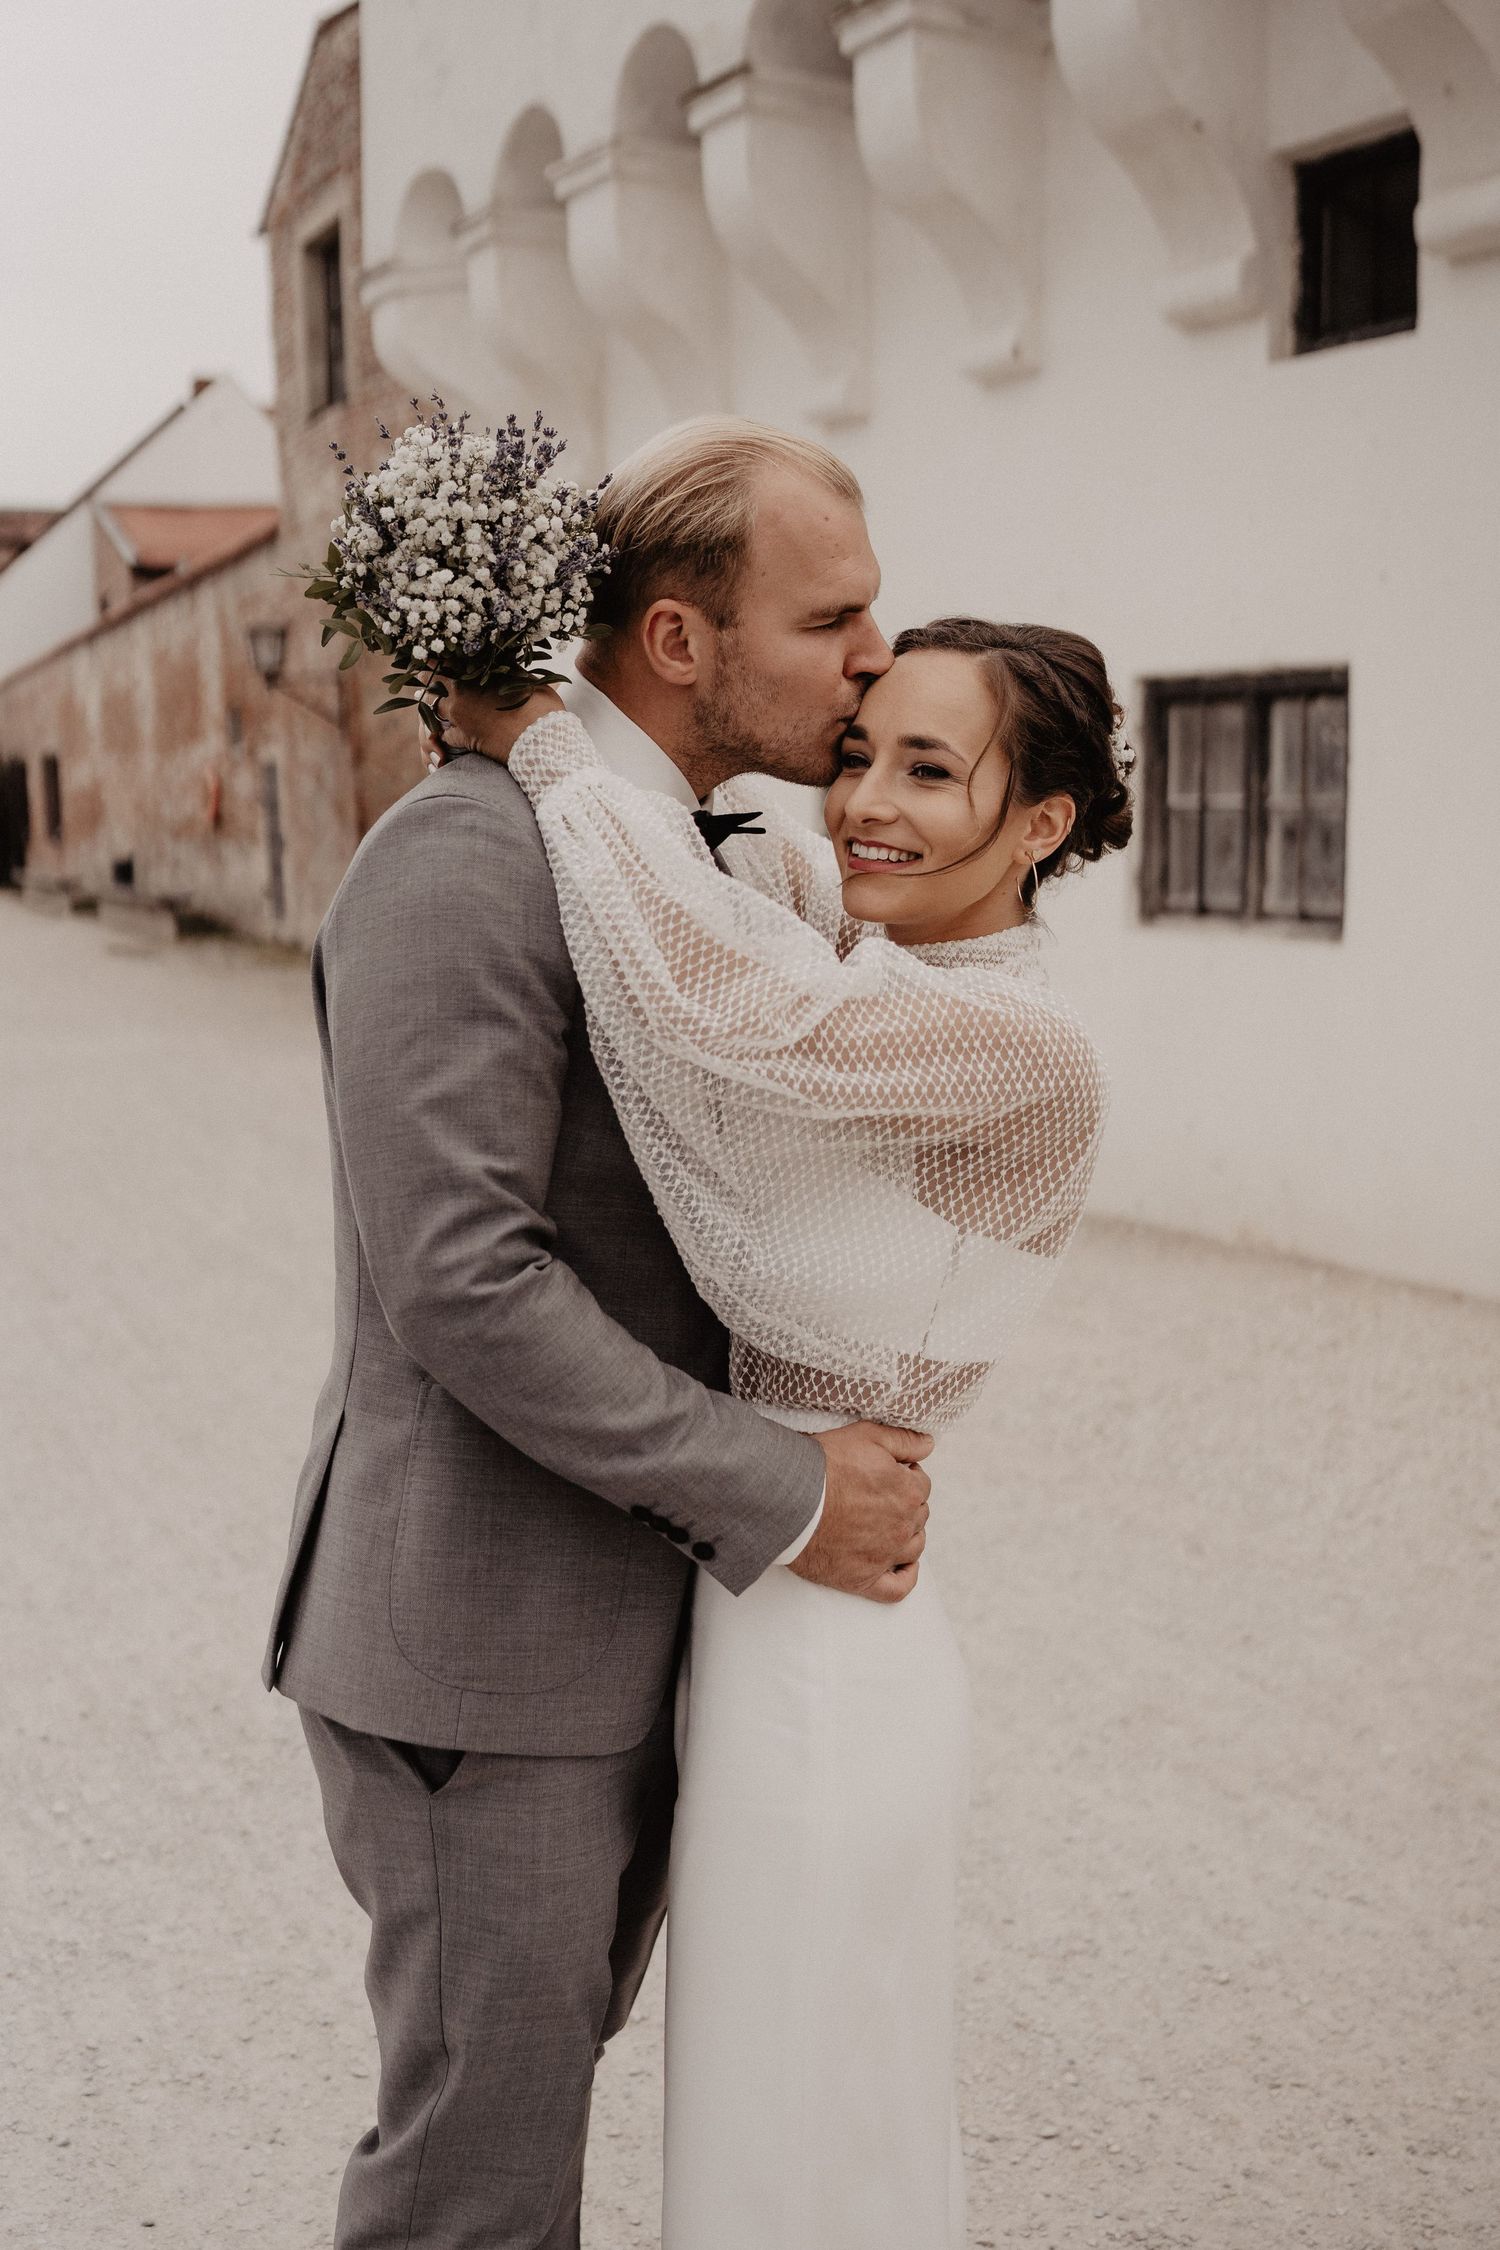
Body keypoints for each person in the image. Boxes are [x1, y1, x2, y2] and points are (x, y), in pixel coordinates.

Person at [262, 419, 936, 2250]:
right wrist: (785, 1488)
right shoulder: (463, 860)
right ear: (680, 642)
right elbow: (461, 1280)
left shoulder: (690, 861)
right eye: (837, 615)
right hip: (479, 1665)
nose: (877, 650)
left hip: (622, 1638)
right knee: (473, 2200)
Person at [444, 609, 1133, 2248]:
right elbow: (711, 872)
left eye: (929, 769)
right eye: (858, 754)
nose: (868, 803)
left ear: (1042, 823)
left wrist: (531, 732)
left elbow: (711, 1009)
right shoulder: (875, 936)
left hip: (831, 1647)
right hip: (769, 1595)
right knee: (781, 2111)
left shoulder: (1016, 1042)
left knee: (805, 2123)